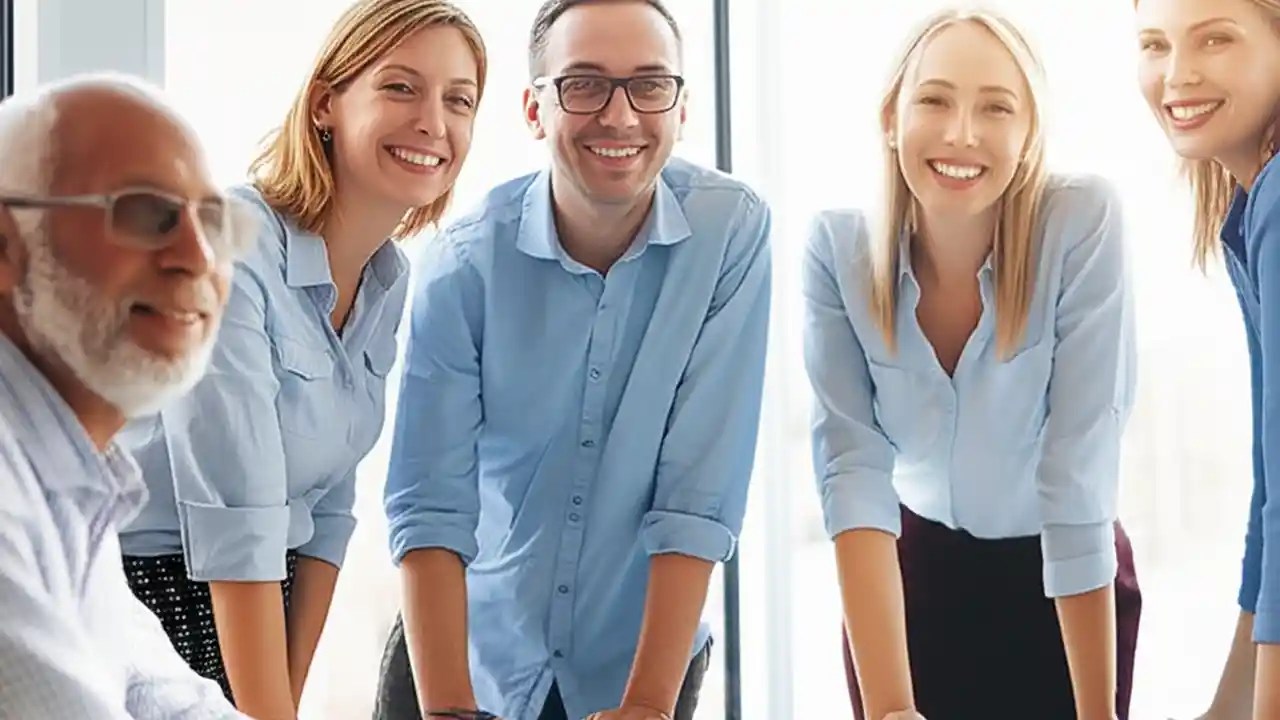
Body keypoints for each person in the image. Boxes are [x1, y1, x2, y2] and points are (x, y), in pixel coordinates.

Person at [372, 1, 772, 719]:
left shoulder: (729, 234)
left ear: (682, 108)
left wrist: (647, 706)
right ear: (535, 109)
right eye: (583, 84)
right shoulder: (463, 264)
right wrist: (449, 711)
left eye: (650, 85)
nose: (620, 116)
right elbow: (429, 504)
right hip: (467, 661)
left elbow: (699, 493)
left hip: (641, 666)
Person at [114, 1, 487, 716]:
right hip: (139, 601)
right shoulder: (233, 249)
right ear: (325, 104)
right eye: (401, 87)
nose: (432, 122)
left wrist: (284, 699)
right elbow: (238, 517)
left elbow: (328, 513)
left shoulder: (386, 281)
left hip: (252, 604)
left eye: (459, 100)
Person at [803, 8, 1142, 720]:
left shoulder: (1081, 223)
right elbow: (853, 477)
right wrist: (891, 708)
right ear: (891, 117)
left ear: (1029, 135)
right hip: (912, 587)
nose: (961, 133)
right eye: (934, 100)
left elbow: (1077, 473)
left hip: (1066, 587)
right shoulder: (837, 251)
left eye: (996, 108)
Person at [0, 73, 252, 718]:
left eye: (214, 221)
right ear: (5, 246)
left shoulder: (71, 474)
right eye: (145, 212)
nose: (197, 256)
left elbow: (166, 698)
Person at [1134, 0, 1280, 717]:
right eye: (1154, 44)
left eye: (1215, 39)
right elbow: (1271, 480)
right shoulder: (1254, 207)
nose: (1177, 75)